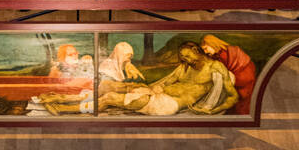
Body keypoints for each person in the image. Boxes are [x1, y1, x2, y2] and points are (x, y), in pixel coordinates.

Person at [100, 42, 238, 116]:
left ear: (196, 50)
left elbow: (232, 96)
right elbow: (167, 82)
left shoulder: (215, 67)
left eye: (188, 57)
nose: (187, 61)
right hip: (159, 95)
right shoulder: (185, 67)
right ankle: (83, 99)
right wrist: (156, 88)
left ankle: (81, 108)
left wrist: (212, 111)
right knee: (118, 88)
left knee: (109, 98)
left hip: (167, 104)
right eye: (184, 58)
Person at [199, 35, 256, 115]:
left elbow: (223, 71)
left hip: (243, 74)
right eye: (203, 50)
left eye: (206, 48)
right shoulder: (218, 54)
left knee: (240, 100)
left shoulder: (223, 53)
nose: (205, 52)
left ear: (213, 44)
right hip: (241, 73)